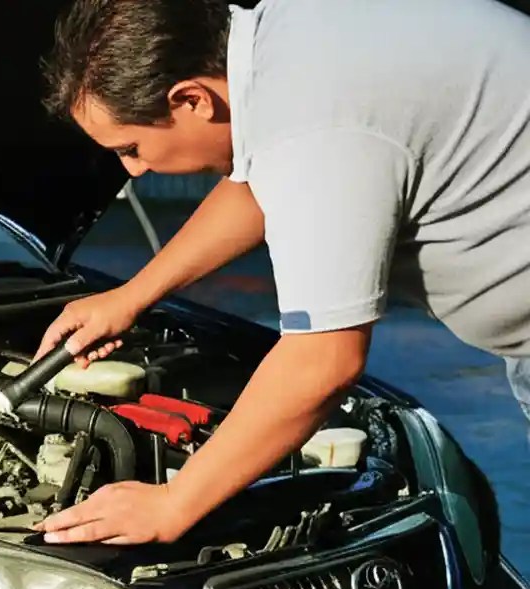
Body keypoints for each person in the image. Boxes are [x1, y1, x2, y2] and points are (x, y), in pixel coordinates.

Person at [31, 0, 530, 545]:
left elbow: (322, 360)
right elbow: (265, 184)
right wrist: (132, 296)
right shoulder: (283, 41)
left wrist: (173, 503)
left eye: (130, 148)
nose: (132, 170)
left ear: (191, 100)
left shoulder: (312, 119)